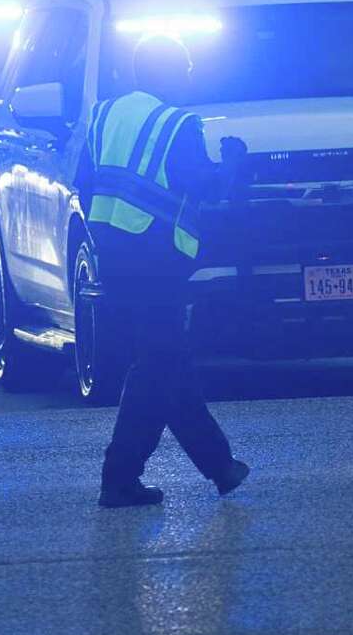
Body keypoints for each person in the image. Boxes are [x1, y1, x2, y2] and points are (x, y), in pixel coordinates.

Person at [78, 34, 251, 508]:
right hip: (156, 258)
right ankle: (119, 478)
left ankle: (220, 466)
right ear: (168, 74)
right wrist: (233, 164)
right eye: (186, 70)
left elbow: (84, 181)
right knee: (157, 368)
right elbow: (202, 185)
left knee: (166, 363)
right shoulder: (177, 124)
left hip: (112, 255)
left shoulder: (105, 114)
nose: (190, 79)